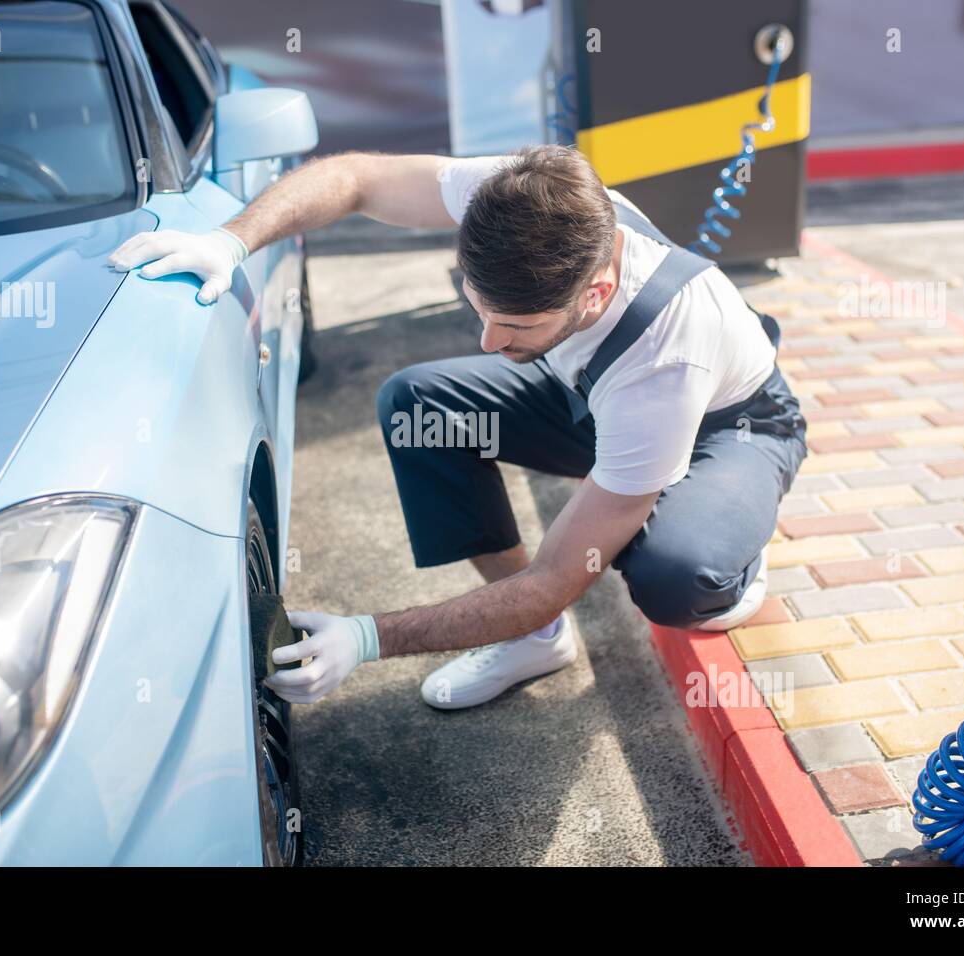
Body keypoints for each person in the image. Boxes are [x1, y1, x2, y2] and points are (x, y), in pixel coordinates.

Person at [108, 145, 808, 711]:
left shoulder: (664, 364)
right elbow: (355, 178)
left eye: (516, 325)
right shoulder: (515, 195)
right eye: (479, 308)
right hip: (590, 396)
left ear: (594, 293)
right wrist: (231, 241)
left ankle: (731, 550)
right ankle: (536, 643)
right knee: (420, 407)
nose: (486, 340)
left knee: (674, 576)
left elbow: (556, 577)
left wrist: (367, 637)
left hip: (734, 425)